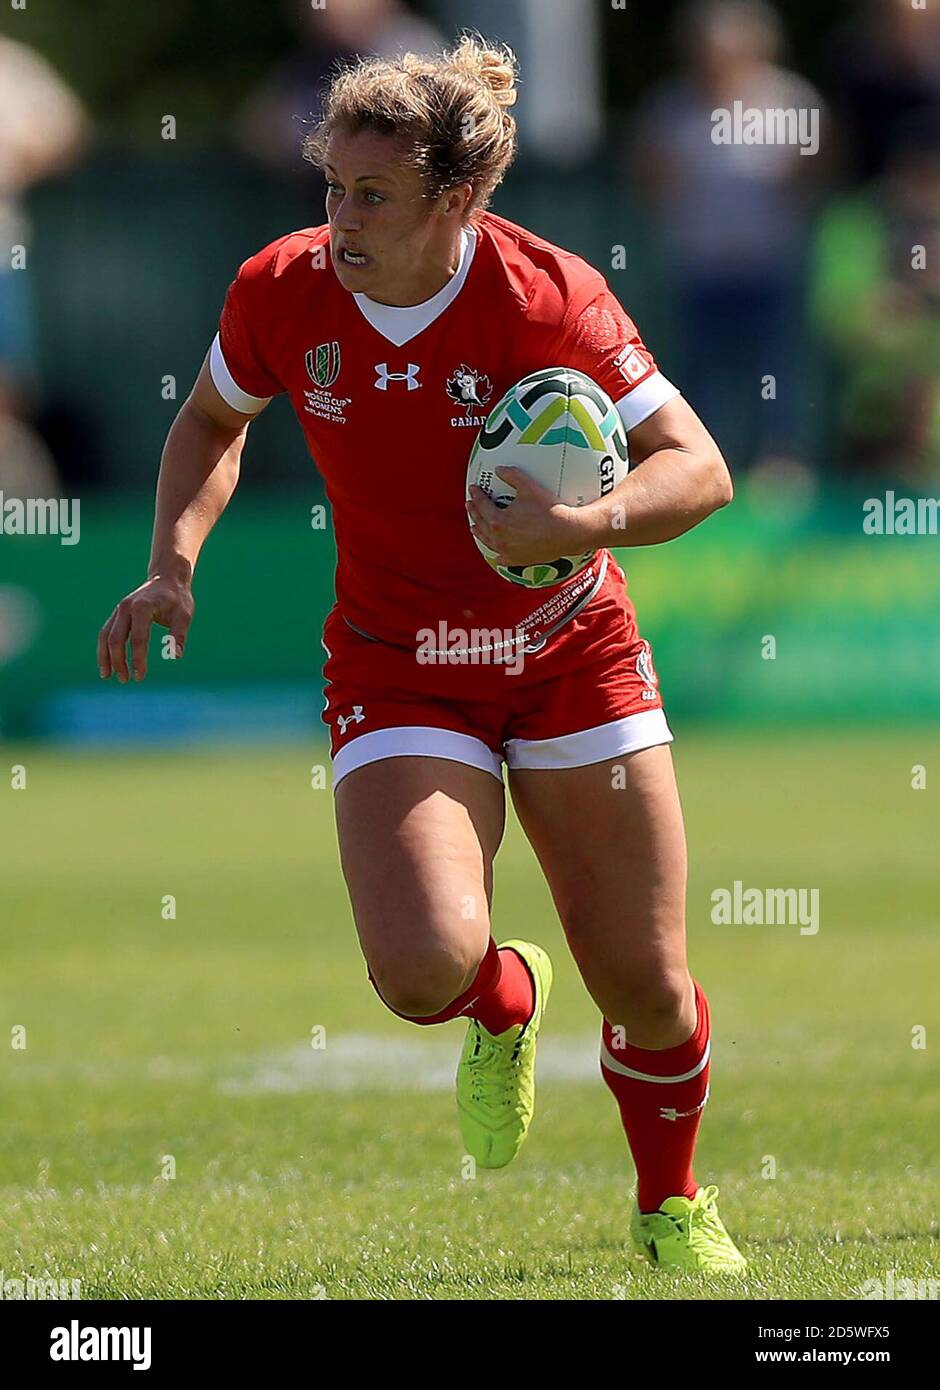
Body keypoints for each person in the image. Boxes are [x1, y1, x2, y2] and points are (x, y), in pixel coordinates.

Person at [97, 35, 744, 1275]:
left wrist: (588, 522)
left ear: (455, 201)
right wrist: (171, 561)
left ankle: (671, 1205)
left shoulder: (547, 296)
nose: (339, 218)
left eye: (372, 196)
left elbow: (699, 469)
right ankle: (502, 998)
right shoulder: (282, 287)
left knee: (650, 987)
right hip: (400, 662)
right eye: (332, 188)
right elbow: (210, 419)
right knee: (416, 968)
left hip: (572, 655)